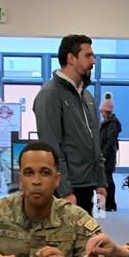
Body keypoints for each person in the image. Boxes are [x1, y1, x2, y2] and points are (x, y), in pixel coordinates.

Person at [33, 35, 106, 214]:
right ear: (71, 58)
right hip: (67, 189)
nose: (93, 61)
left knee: (87, 238)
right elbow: (51, 148)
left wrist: (101, 181)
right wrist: (65, 191)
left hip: (88, 184)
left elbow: (95, 143)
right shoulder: (49, 95)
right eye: (88, 56)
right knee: (63, 241)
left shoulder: (87, 97)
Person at [99, 94, 121, 211]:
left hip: (107, 157)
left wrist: (102, 156)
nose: (101, 114)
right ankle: (108, 205)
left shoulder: (111, 124)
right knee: (106, 180)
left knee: (105, 181)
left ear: (105, 111)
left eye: (102, 111)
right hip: (105, 155)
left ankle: (106, 205)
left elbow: (109, 142)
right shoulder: (107, 123)